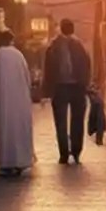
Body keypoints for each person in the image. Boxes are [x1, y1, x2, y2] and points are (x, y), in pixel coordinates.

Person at [0, 30, 35, 176]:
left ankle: (7, 162)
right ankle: (21, 161)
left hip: (4, 103)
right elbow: (28, 80)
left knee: (6, 131)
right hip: (20, 101)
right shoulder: (19, 56)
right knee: (19, 129)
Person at [43, 18, 91, 164]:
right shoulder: (79, 46)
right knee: (77, 121)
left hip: (60, 87)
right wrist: (86, 84)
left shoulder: (53, 46)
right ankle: (75, 151)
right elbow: (87, 66)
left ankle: (64, 153)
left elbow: (48, 70)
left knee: (61, 122)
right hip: (76, 87)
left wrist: (47, 91)